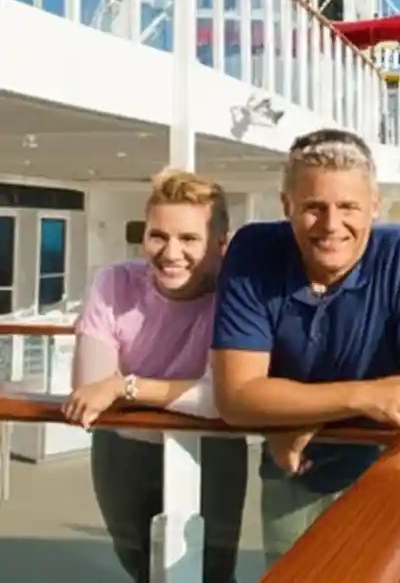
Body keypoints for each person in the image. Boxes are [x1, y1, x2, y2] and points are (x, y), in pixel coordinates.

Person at [208, 128, 400, 570]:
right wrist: (370, 394)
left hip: (393, 467)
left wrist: (299, 412)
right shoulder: (254, 252)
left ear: (374, 207)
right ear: (286, 206)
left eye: (348, 207)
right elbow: (236, 397)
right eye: (313, 208)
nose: (331, 225)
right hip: (295, 471)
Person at [63, 169, 247, 583]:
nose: (171, 252)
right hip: (123, 449)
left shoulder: (236, 296)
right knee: (142, 567)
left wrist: (124, 386)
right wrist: (186, 393)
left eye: (189, 239)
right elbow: (89, 386)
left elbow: (226, 398)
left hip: (212, 451)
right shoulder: (115, 283)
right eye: (158, 236)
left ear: (220, 245)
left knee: (213, 572)